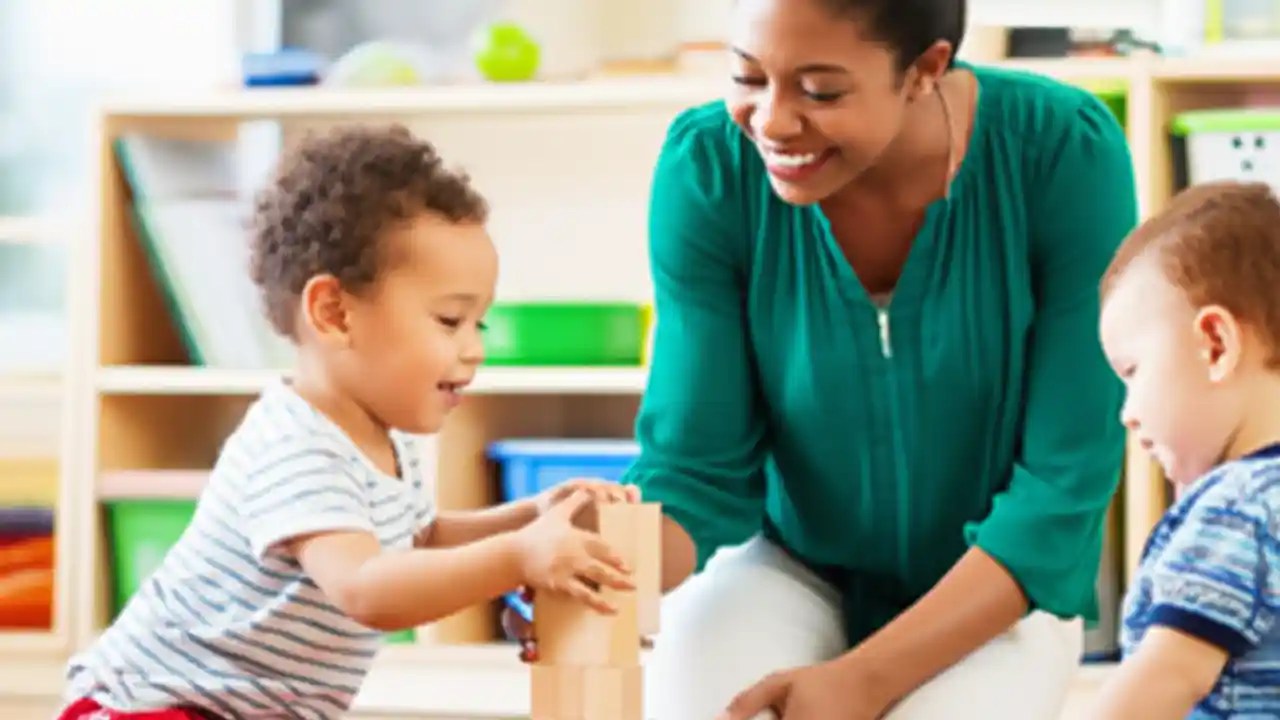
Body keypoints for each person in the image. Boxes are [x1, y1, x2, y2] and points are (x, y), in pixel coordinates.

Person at [509, 0, 1138, 715]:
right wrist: (597, 576)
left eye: (820, 91)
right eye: (747, 76)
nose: (771, 122)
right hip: (787, 561)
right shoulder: (711, 168)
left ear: (925, 70)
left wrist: (863, 681)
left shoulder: (1061, 151)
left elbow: (1062, 487)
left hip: (995, 590)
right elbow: (696, 467)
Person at [58, 124, 638, 720]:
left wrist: (528, 517)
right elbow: (367, 587)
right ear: (334, 313)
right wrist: (518, 555)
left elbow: (415, 540)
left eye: (480, 325)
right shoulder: (294, 444)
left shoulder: (382, 434)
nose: (475, 350)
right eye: (449, 321)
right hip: (154, 708)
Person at [1091, 180, 1280, 719]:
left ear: (1215, 344)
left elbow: (1169, 674)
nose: (1127, 412)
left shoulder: (1238, 509)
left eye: (1132, 372)